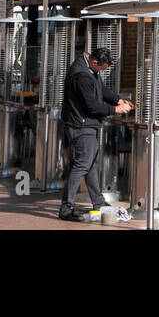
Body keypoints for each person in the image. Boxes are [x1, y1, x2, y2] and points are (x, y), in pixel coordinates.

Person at [59, 47, 133, 221]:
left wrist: (117, 99)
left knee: (90, 164)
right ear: (94, 62)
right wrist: (115, 109)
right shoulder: (82, 75)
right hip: (81, 124)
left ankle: (98, 202)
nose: (102, 71)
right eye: (102, 68)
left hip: (85, 123)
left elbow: (100, 88)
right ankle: (66, 208)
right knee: (82, 164)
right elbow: (91, 105)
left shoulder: (89, 69)